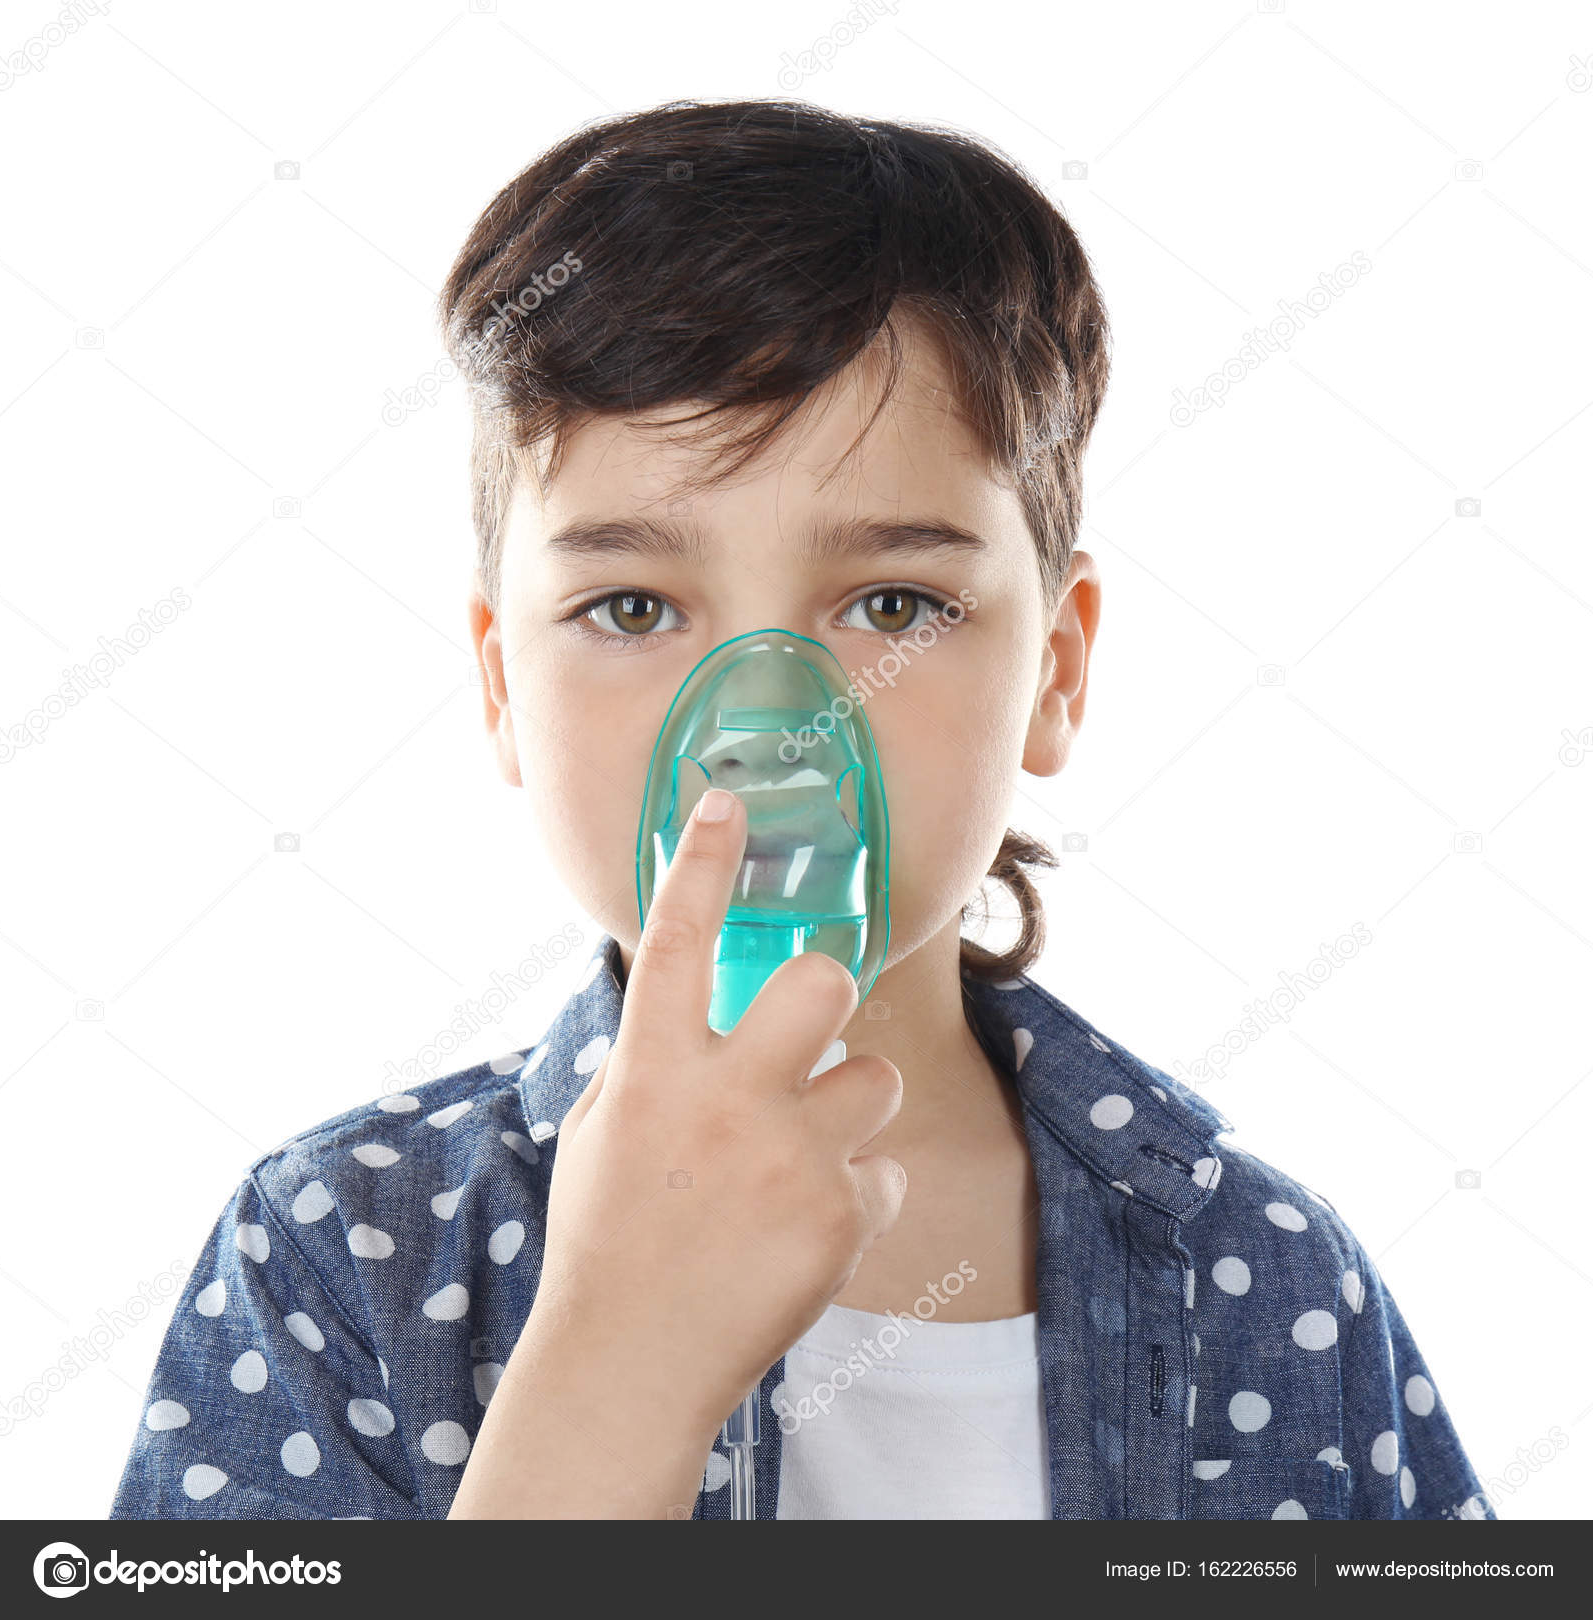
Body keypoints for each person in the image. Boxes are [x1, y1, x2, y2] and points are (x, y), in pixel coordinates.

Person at [108, 99, 1493, 1521]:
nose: (769, 729)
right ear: (501, 685)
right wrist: (618, 1361)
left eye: (893, 605)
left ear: (1056, 670)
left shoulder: (1264, 1276)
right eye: (632, 606)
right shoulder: (346, 1256)